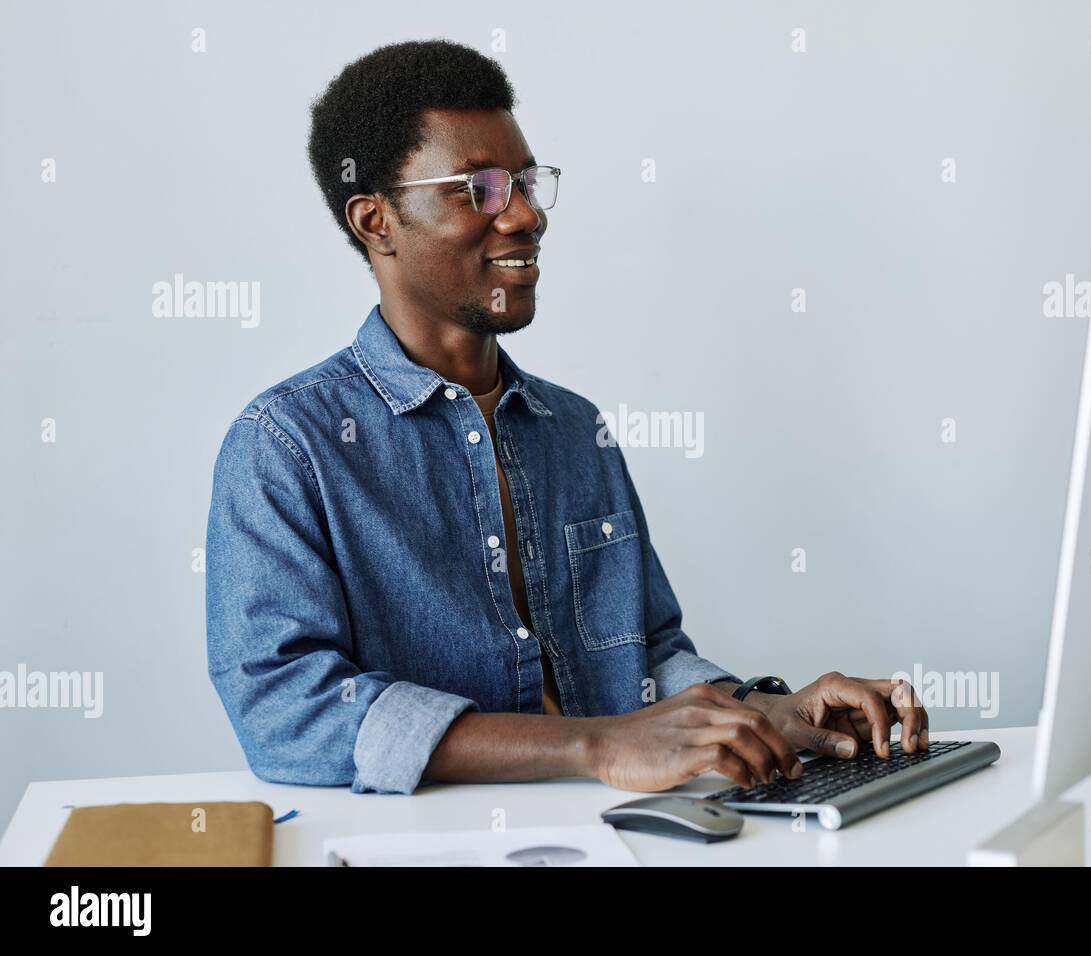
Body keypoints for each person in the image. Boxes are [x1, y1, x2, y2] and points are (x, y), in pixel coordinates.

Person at [205, 39, 928, 796]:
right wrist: (596, 746)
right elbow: (285, 710)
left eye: (524, 182)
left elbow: (641, 652)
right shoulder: (286, 448)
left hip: (624, 830)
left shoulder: (575, 430)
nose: (524, 215)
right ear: (376, 220)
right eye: (477, 189)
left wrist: (767, 712)